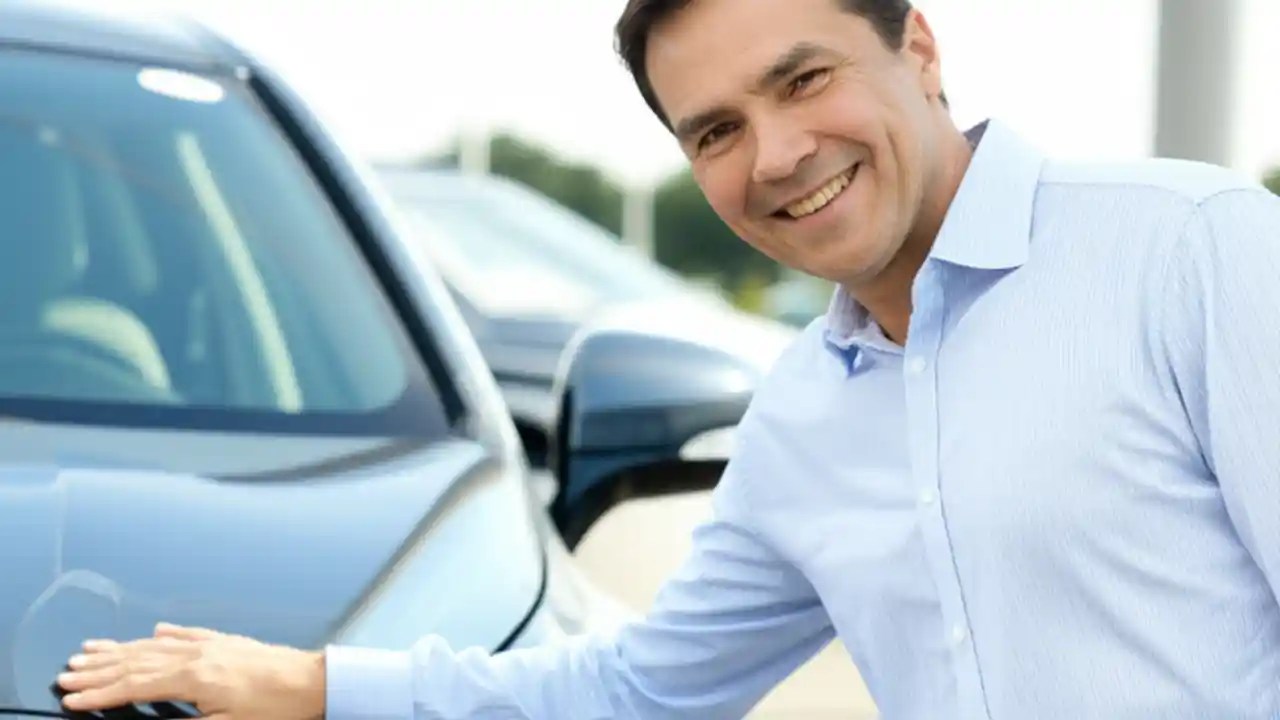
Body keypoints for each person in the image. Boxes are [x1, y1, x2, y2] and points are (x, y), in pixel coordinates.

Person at [56, 0, 1280, 718]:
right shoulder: (805, 410)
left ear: (916, 49)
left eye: (802, 79)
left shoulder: (1188, 250)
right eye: (717, 131)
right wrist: (315, 683)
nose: (778, 154)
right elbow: (636, 692)